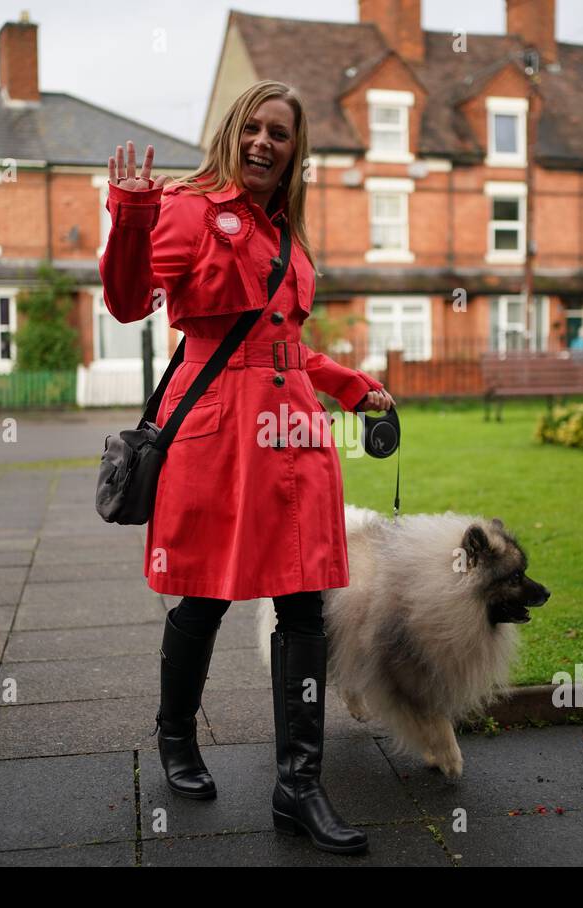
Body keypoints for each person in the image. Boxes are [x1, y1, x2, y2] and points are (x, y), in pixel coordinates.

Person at [99, 80, 395, 855]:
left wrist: (357, 390)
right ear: (234, 132)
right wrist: (130, 213)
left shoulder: (287, 233)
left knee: (304, 609)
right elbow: (129, 301)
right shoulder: (189, 209)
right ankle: (175, 738)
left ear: (296, 150)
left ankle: (298, 786)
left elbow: (289, 344)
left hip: (294, 437)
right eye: (255, 128)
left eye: (282, 134)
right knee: (205, 599)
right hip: (217, 436)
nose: (266, 142)